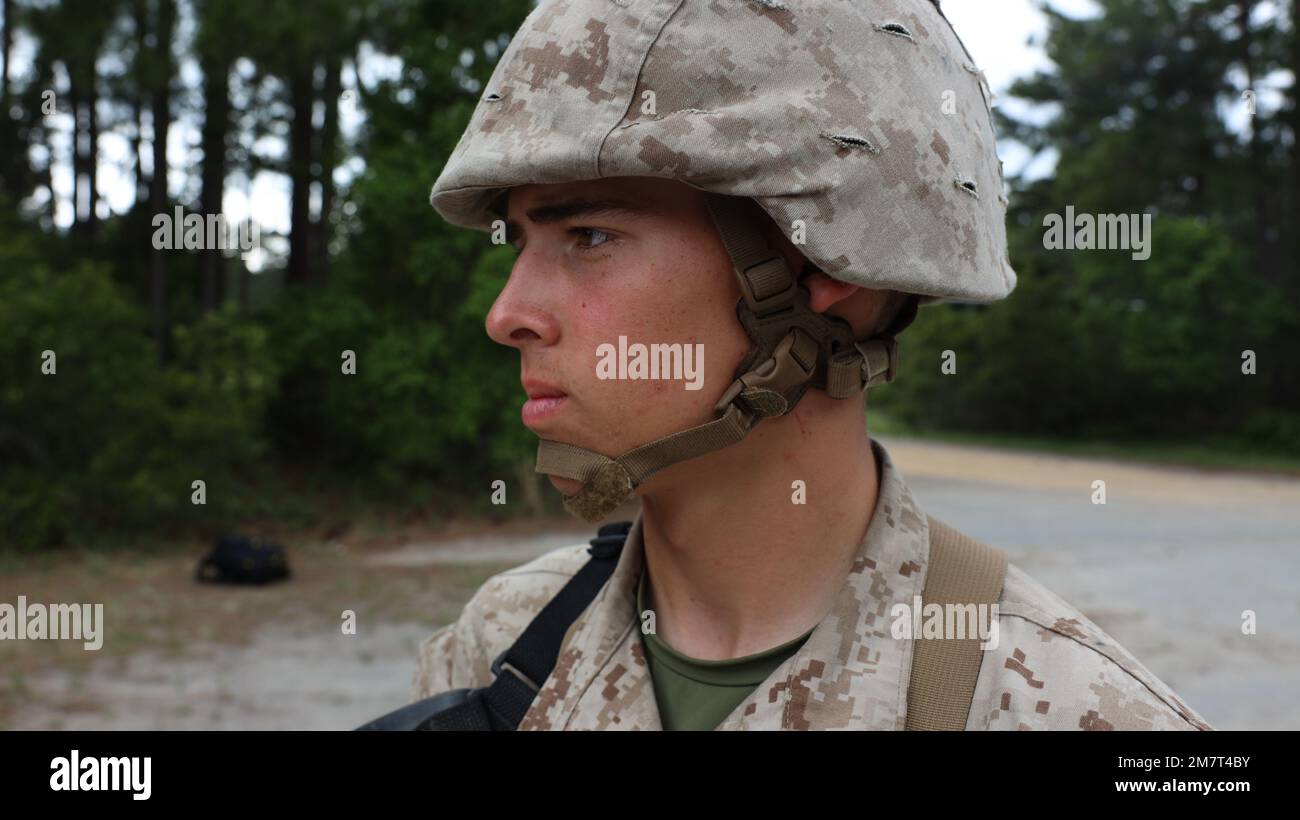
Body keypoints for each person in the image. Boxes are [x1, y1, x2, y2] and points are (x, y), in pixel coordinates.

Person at [410, 0, 1211, 730]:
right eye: (521, 244)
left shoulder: (1075, 712)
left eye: (587, 237)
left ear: (826, 266)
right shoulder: (500, 647)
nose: (506, 315)